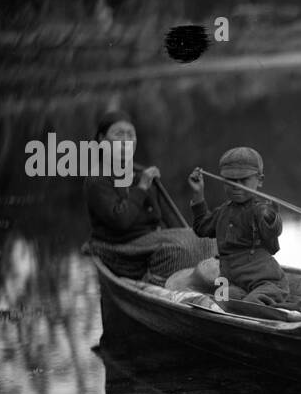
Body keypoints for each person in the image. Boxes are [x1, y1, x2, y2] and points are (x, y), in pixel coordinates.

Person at [84, 109, 214, 282]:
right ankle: (154, 280)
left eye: (130, 135)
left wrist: (190, 235)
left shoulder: (140, 172)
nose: (125, 141)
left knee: (207, 241)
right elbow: (121, 221)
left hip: (149, 239)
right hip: (120, 245)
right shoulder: (97, 179)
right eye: (118, 135)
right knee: (177, 251)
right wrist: (142, 187)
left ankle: (194, 283)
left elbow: (168, 217)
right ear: (102, 139)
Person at [187, 147, 291, 307]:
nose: (237, 186)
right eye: (231, 180)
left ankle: (288, 310)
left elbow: (272, 229)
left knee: (251, 304)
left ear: (260, 180)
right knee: (218, 303)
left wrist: (270, 216)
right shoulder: (223, 211)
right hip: (233, 283)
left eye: (243, 180)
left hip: (267, 284)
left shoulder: (260, 209)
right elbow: (201, 227)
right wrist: (198, 194)